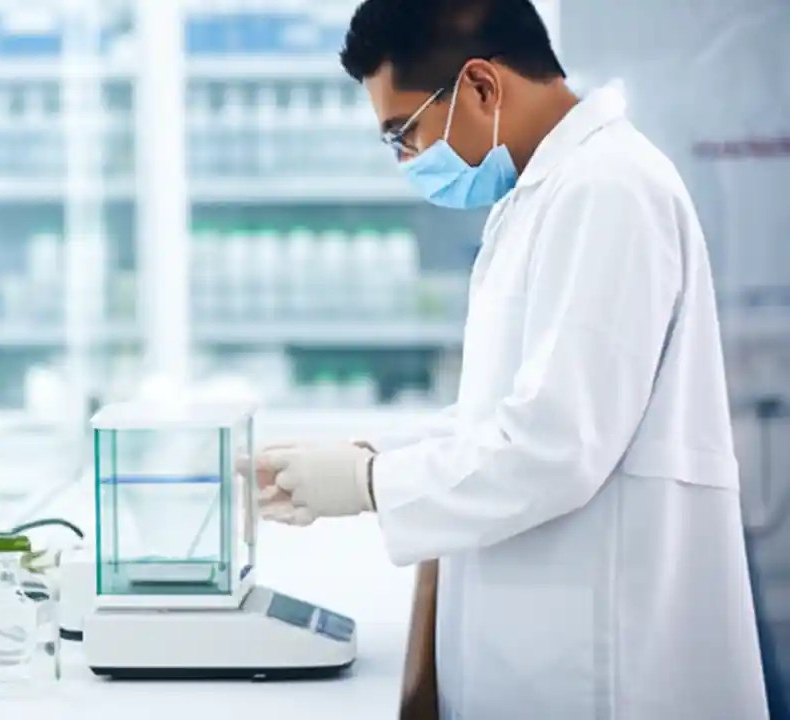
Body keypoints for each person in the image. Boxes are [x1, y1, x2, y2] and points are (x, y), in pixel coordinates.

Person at [253, 1, 770, 718]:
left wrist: (373, 482)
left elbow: (558, 443)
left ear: (482, 88)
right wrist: (368, 454)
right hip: (553, 651)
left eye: (403, 132)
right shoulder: (542, 196)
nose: (407, 159)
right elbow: (500, 416)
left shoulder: (607, 190)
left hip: (607, 671)